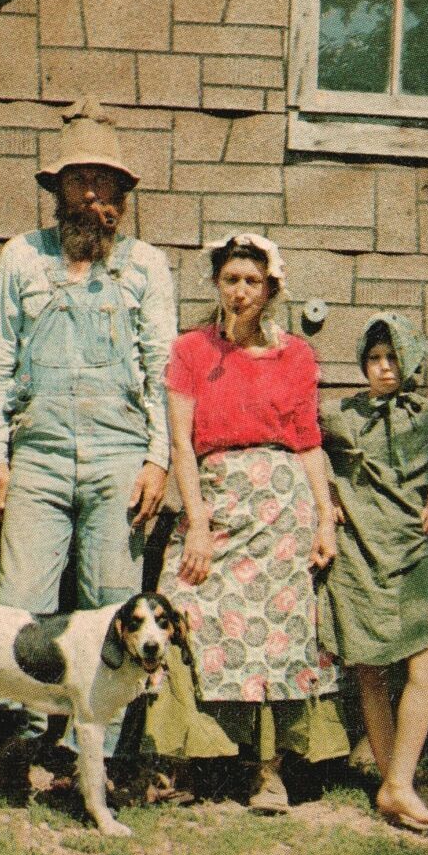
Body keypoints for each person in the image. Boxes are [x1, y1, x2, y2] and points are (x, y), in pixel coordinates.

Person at [0, 100, 176, 781]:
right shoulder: (23, 258)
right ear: (57, 190)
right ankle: (20, 739)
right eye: (78, 181)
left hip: (121, 459)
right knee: (19, 603)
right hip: (39, 457)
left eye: (105, 183)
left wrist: (157, 458)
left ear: (123, 195)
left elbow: (161, 371)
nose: (93, 196)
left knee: (111, 599)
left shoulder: (147, 268)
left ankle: (97, 755)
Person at [157, 233, 347, 814]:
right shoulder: (191, 351)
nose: (240, 292)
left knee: (277, 631)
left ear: (271, 289)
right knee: (181, 604)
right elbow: (182, 446)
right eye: (231, 279)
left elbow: (310, 443)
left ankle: (269, 772)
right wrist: (195, 522)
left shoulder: (296, 355)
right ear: (217, 283)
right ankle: (182, 762)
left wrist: (325, 521)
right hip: (215, 499)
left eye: (252, 282)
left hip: (283, 508)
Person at [318, 313, 428, 833]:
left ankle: (398, 781)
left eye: (393, 357)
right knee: (370, 669)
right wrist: (326, 496)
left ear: (410, 361)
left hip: (413, 549)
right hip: (358, 551)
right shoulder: (339, 415)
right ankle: (395, 787)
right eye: (374, 359)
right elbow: (301, 451)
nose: (384, 368)